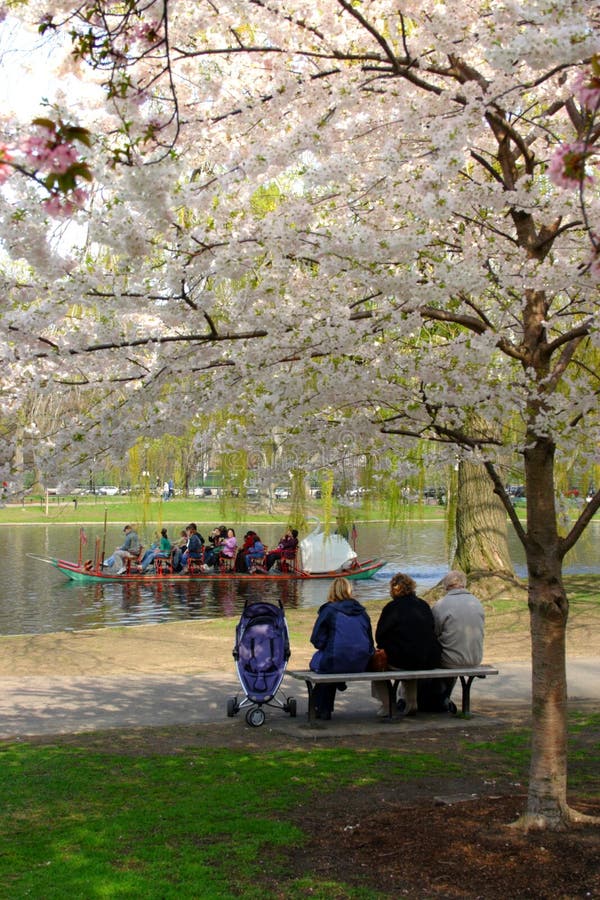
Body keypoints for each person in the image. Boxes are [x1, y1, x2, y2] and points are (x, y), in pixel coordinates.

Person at [373, 572, 441, 717]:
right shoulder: (423, 605)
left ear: (393, 589)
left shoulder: (392, 608)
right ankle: (411, 702)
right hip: (428, 658)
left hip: (403, 658)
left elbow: (380, 636)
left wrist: (386, 646)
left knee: (376, 667)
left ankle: (387, 706)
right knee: (411, 657)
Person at [418, 570, 485, 713]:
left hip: (451, 659)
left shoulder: (441, 605)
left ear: (446, 586)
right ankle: (441, 698)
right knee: (452, 650)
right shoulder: (477, 603)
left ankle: (431, 699)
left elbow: (433, 633)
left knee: (431, 657)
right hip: (475, 657)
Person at [309, 577, 374, 720]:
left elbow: (317, 640)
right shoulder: (362, 612)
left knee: (320, 662)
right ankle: (336, 684)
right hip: (361, 662)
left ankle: (322, 707)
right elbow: (370, 642)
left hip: (335, 660)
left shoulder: (329, 610)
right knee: (333, 660)